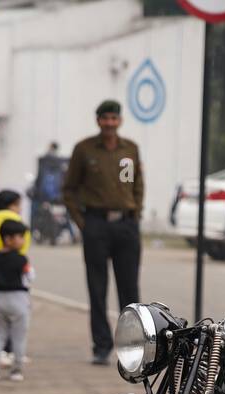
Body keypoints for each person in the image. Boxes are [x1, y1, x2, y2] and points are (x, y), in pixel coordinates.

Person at [62, 99, 143, 365]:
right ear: (98, 120)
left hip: (126, 227)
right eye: (104, 118)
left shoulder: (130, 149)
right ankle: (101, 346)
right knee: (97, 289)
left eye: (114, 118)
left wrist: (135, 215)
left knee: (129, 291)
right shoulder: (84, 150)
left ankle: (132, 347)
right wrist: (82, 223)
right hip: (95, 224)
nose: (109, 123)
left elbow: (137, 185)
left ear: (119, 121)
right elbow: (69, 189)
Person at [0, 189, 30, 367]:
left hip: (1, 287)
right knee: (13, 322)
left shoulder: (9, 231)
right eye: (17, 205)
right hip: (15, 292)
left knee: (2, 321)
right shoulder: (2, 228)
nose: (19, 209)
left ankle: (9, 352)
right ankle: (8, 352)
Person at [0, 219, 34, 382]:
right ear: (8, 239)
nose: (23, 240)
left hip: (0, 299)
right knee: (19, 336)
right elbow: (30, 277)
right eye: (21, 237)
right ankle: (16, 370)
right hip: (19, 300)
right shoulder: (21, 259)